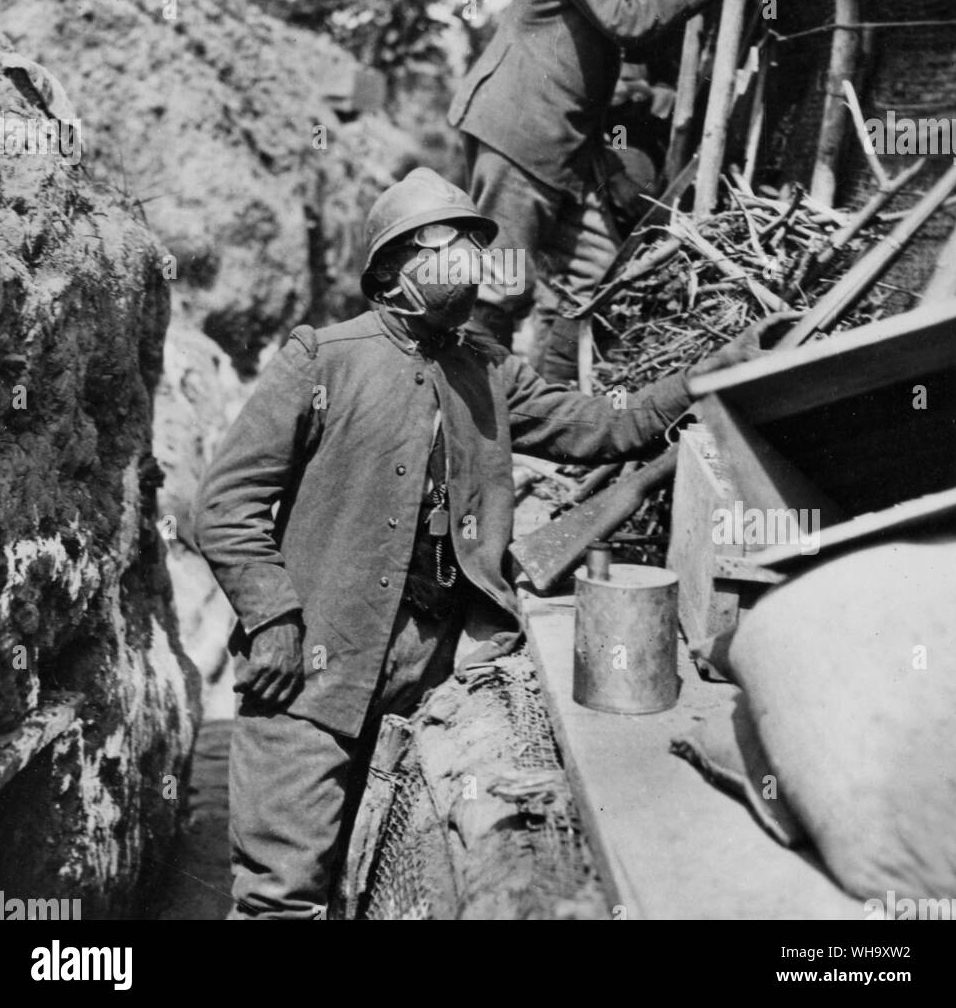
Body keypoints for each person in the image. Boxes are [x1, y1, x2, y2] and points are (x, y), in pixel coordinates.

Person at [193, 166, 764, 920]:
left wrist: (715, 374)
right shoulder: (322, 358)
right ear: (391, 272)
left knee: (372, 876)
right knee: (280, 900)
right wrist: (272, 620)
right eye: (441, 246)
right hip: (310, 674)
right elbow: (224, 505)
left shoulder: (488, 372)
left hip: (430, 670)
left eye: (471, 244)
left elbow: (605, 426)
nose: (464, 261)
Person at [448, 0, 717, 378]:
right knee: (501, 290)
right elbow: (631, 22)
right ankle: (473, 427)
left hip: (563, 149)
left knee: (596, 281)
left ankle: (547, 417)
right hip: (518, 137)